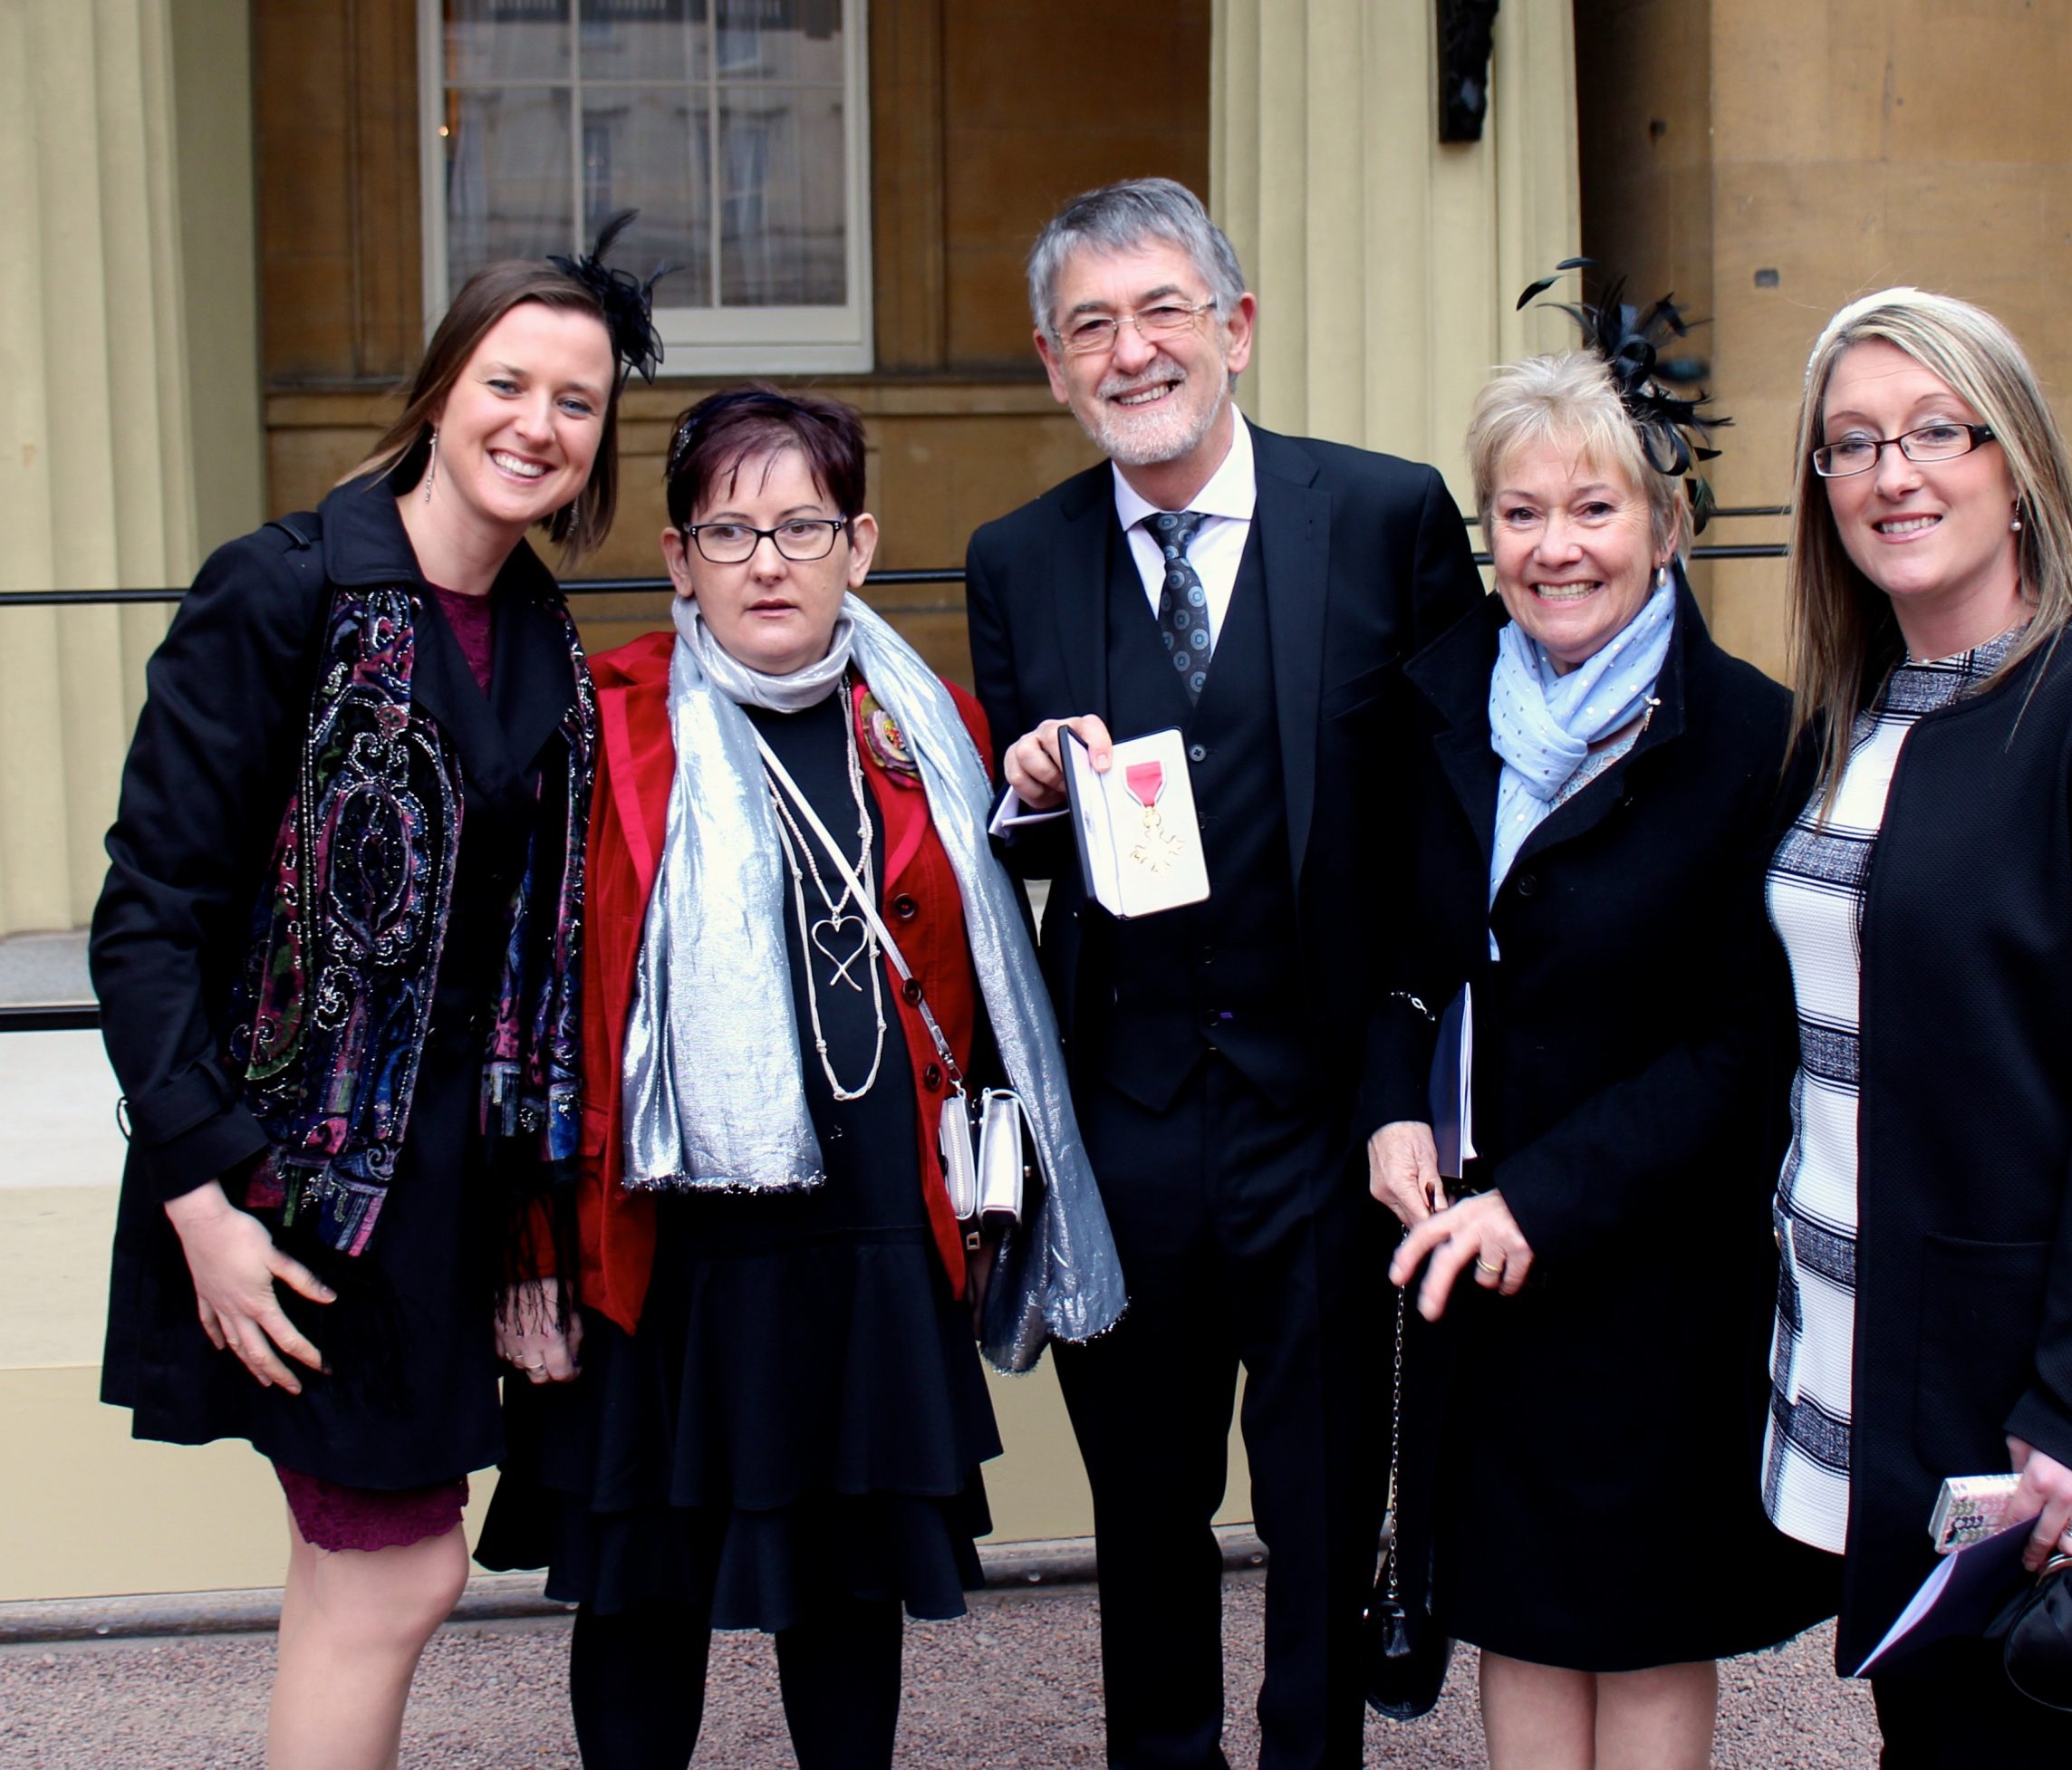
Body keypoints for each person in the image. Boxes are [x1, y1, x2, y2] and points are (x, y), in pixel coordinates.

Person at [475, 386, 1123, 1770]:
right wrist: (528, 1249)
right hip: (665, 1242)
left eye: (801, 524)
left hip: (875, 1235)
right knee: (641, 1595)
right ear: (677, 557)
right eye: (730, 528)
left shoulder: (933, 723)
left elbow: (993, 963)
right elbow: (528, 1003)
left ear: (860, 541)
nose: (768, 560)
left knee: (848, 1600)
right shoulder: (605, 729)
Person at [91, 217, 660, 1768]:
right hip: (291, 1191)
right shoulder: (280, 591)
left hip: (453, 1196)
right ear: (439, 387)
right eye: (508, 380)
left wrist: (529, 1234)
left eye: (577, 402)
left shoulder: (543, 633)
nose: (536, 424)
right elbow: (145, 920)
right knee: (395, 1568)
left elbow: (532, 955)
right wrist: (204, 1198)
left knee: (360, 1570)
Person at [964, 176, 1483, 1769]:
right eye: (1091, 328)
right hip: (1122, 1116)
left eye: (1163, 312)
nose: (1132, 354)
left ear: (1235, 329)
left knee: (1327, 1499)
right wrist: (1027, 783)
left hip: (1327, 1109)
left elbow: (1446, 821)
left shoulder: (1389, 519)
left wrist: (1411, 1078)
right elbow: (1016, 841)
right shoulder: (1015, 559)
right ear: (1054, 366)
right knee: (1145, 1505)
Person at [1760, 287, 2072, 1766]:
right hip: (1866, 1329)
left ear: (2018, 460)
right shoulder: (1858, 718)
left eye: (1934, 430)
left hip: (2017, 1376)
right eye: (1849, 444)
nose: (1891, 473)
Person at [1374, 299, 1837, 1769]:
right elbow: (1406, 955)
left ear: (1666, 524)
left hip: (1647, 1262)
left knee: (1638, 1623)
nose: (1554, 544)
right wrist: (1394, 1104)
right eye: (1521, 511)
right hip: (1477, 1269)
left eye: (1592, 505)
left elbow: (1743, 1046)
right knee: (1513, 1609)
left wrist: (1547, 1199)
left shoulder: (1753, 738)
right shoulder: (1437, 705)